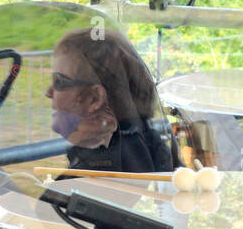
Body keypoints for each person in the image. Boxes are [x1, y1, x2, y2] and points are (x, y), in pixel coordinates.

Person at [46, 26, 176, 173]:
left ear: (95, 98)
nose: (48, 92)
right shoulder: (142, 144)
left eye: (59, 82)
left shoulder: (103, 171)